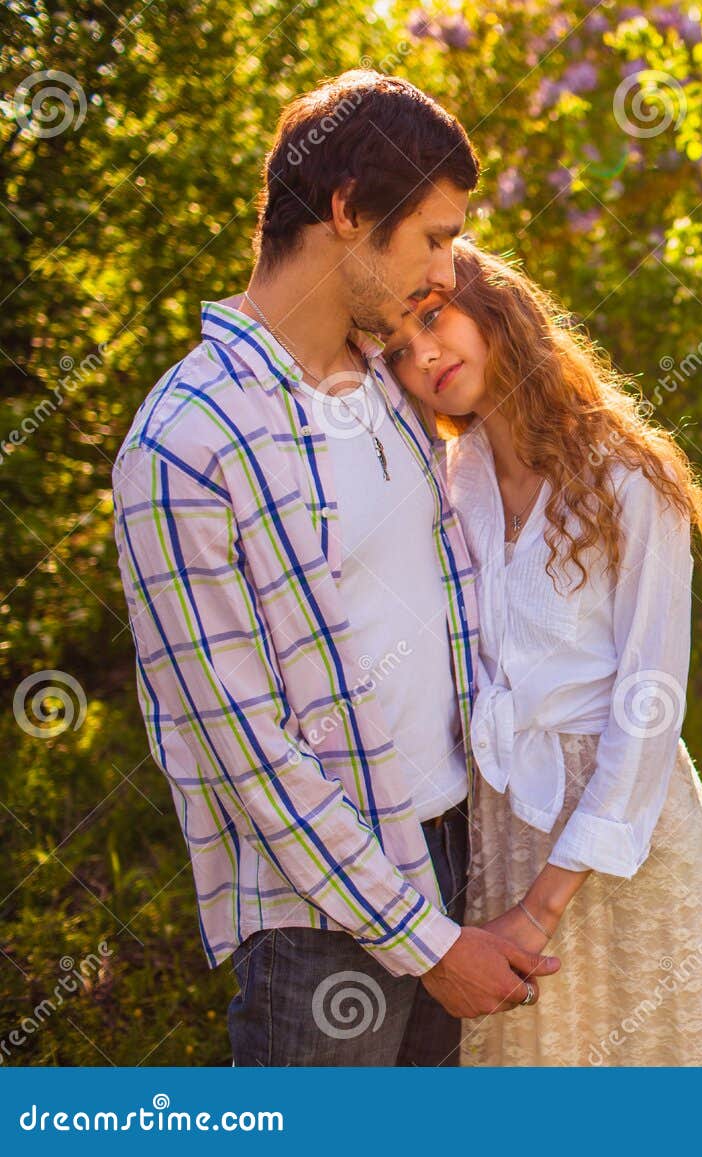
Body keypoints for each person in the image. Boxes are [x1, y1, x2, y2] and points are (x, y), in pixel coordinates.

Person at [110, 71, 556, 1067]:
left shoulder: (399, 389)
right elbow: (245, 745)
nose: (447, 269)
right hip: (316, 914)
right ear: (350, 211)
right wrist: (427, 941)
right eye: (433, 236)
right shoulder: (186, 442)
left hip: (453, 853)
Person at [386, 238, 702, 1064]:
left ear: (495, 305)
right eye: (398, 349)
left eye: (434, 317)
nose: (424, 354)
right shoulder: (446, 478)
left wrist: (541, 907)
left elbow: (650, 707)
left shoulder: (628, 476)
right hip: (500, 823)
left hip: (620, 833)